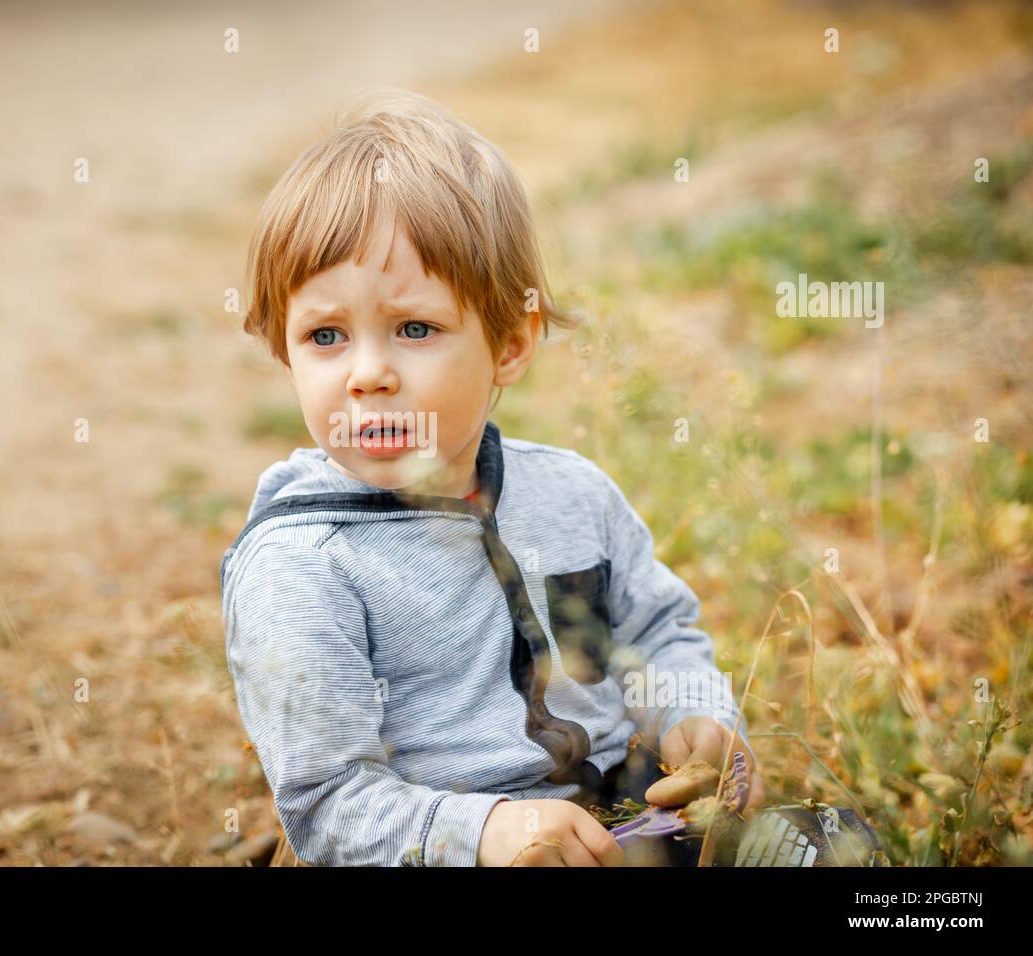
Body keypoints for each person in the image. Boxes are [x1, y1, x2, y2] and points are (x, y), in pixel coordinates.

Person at [220, 87, 762, 867]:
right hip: (447, 851)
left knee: (827, 849)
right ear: (285, 349)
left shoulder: (572, 495)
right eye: (325, 335)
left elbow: (658, 633)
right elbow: (330, 805)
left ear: (509, 343)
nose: (368, 373)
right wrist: (486, 834)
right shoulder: (302, 566)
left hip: (626, 826)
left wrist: (697, 720)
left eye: (415, 328)